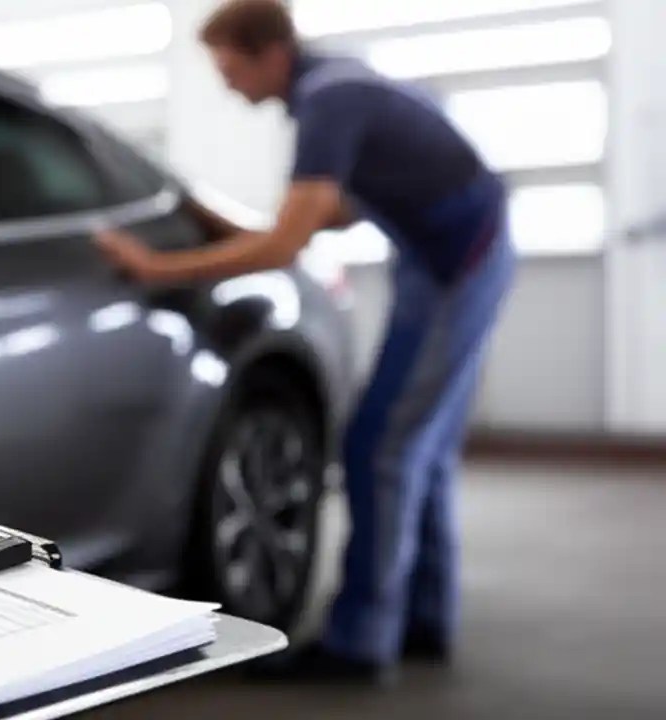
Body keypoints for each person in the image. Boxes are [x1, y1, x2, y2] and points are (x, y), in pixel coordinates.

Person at [95, 0, 516, 684]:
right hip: (450, 254)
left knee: (379, 447)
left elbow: (285, 245)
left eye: (229, 68)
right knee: (420, 448)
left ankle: (360, 644)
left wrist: (154, 269)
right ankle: (424, 622)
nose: (228, 84)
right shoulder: (336, 85)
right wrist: (210, 215)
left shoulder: (327, 100)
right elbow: (317, 219)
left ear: (269, 54)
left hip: (457, 265)